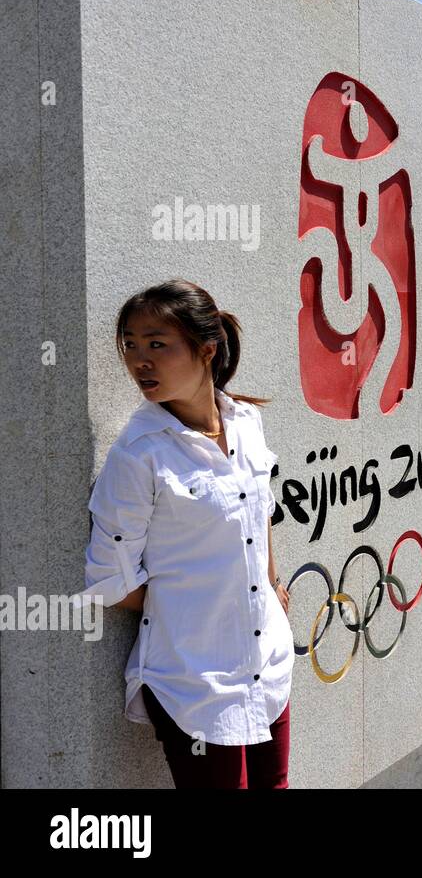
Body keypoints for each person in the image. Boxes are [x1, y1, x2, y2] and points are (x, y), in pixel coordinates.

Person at [81, 279, 293, 788]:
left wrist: (270, 583)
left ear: (206, 348)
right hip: (192, 678)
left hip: (266, 659)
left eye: (158, 344)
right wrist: (193, 602)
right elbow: (110, 579)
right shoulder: (139, 454)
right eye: (130, 345)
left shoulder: (246, 423)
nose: (140, 361)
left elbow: (258, 509)